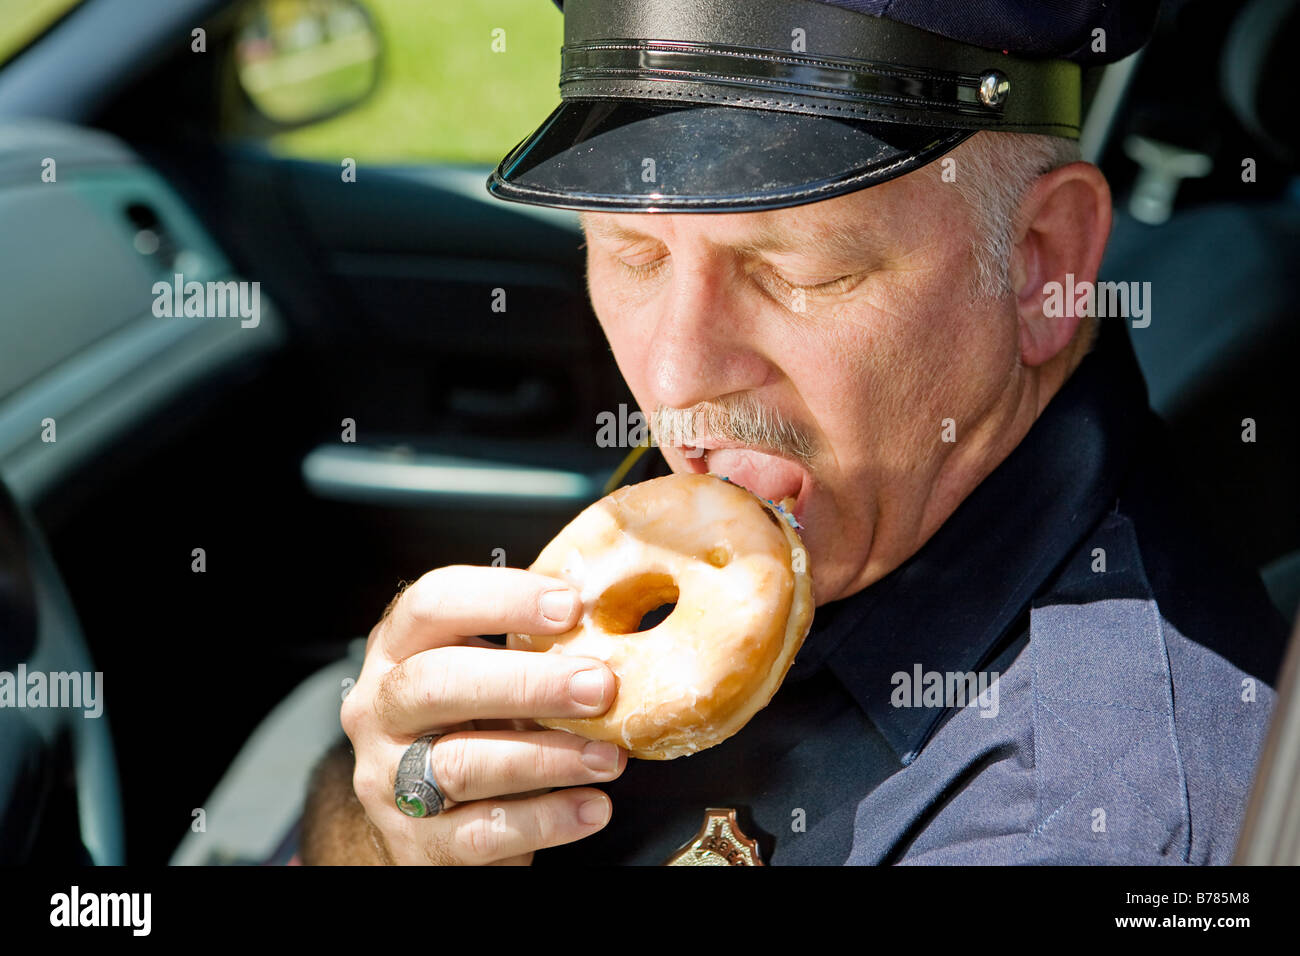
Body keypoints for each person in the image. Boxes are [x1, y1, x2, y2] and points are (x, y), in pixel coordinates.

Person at [299, 0, 1289, 865]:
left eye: (799, 272)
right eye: (631, 252)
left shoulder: (1079, 816)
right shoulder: (807, 472)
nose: (679, 375)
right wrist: (391, 825)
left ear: (1039, 263)